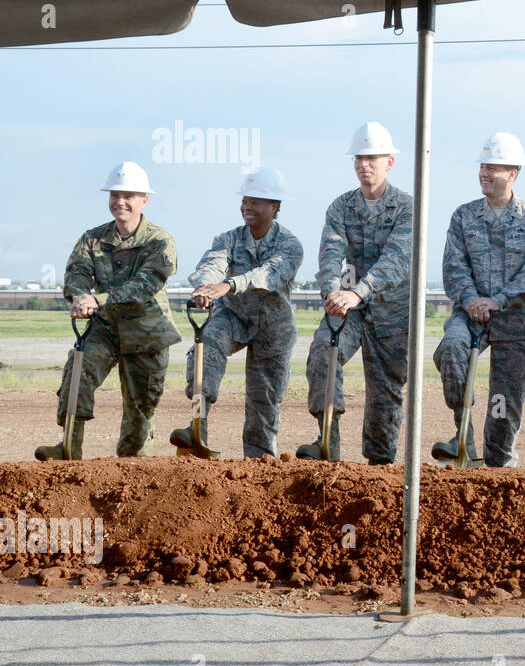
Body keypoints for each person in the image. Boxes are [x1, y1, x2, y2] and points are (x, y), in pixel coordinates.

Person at [36, 162, 181, 460]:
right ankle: (68, 448)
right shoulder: (92, 238)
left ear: (144, 200)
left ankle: (133, 467)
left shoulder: (160, 240)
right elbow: (76, 273)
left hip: (147, 332)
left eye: (129, 196)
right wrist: (79, 297)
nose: (120, 202)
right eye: (115, 195)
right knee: (77, 375)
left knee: (141, 407)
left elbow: (145, 285)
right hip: (104, 328)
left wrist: (98, 299)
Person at [433, 133, 525, 468]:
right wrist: (472, 300)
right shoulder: (464, 216)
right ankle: (463, 434)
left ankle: (499, 460)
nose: (484, 173)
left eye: (493, 168)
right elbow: (454, 265)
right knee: (451, 349)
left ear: (512, 174)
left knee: (502, 403)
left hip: (517, 324)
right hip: (470, 315)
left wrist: (498, 300)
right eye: (482, 166)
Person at [296, 122, 412, 464]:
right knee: (322, 354)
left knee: (385, 391)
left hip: (392, 313)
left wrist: (359, 292)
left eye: (372, 158)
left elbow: (397, 260)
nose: (365, 165)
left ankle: (379, 466)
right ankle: (327, 442)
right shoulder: (341, 207)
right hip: (348, 309)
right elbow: (330, 253)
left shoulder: (406, 206)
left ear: (389, 162)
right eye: (359, 158)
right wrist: (333, 294)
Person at [171, 168, 303, 458]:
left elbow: (269, 275)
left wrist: (228, 285)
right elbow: (213, 262)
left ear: (275, 207)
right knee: (204, 350)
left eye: (256, 201)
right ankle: (197, 425)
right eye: (245, 200)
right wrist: (206, 286)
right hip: (233, 316)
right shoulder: (228, 238)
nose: (247, 207)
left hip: (273, 328)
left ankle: (259, 460)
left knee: (264, 399)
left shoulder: (290, 245)